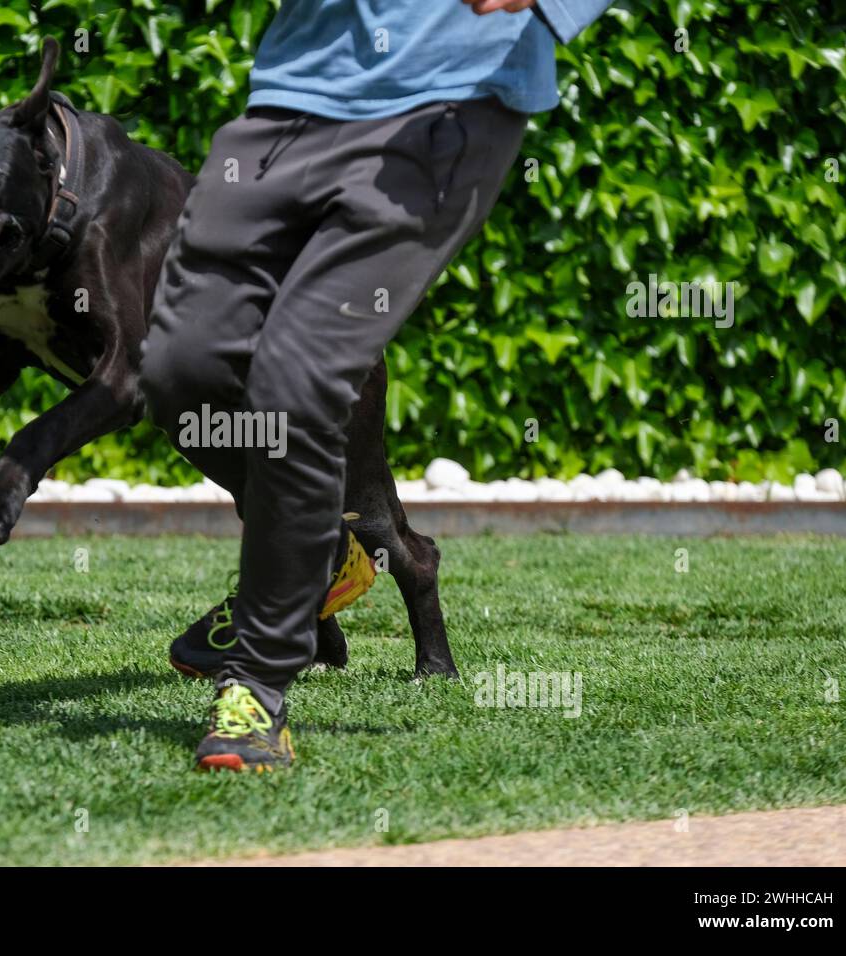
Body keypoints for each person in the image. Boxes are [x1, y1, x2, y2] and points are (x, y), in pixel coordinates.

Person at [139, 0, 613, 771]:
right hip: (292, 96)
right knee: (178, 369)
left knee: (297, 384)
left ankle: (257, 686)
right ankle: (322, 548)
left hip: (448, 99)